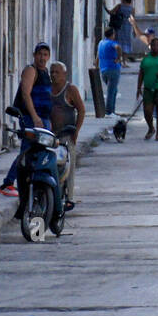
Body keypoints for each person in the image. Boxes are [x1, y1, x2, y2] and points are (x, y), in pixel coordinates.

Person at [0, 43, 53, 197]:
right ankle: (8, 183)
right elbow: (25, 94)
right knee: (27, 151)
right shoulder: (31, 70)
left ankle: (33, 182)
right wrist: (35, 116)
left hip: (44, 119)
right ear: (34, 55)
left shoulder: (46, 73)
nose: (42, 58)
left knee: (40, 151)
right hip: (31, 119)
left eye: (45, 54)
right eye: (39, 54)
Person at [48, 61, 87, 208]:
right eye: (52, 72)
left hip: (66, 135)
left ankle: (69, 197)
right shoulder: (48, 89)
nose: (53, 75)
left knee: (69, 166)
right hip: (50, 135)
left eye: (57, 72)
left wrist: (76, 130)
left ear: (64, 74)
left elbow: (81, 110)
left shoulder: (70, 90)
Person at [97, 28, 123, 115]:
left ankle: (112, 110)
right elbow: (118, 47)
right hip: (113, 68)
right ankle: (109, 111)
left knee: (114, 90)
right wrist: (118, 58)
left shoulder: (101, 43)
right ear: (112, 35)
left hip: (103, 69)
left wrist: (96, 64)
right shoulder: (112, 43)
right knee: (111, 91)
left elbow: (98, 55)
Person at [107, 0, 135, 65]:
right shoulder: (132, 9)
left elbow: (110, 12)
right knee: (126, 44)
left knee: (118, 42)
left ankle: (118, 60)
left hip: (119, 27)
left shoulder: (119, 6)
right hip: (128, 28)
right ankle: (124, 62)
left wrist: (104, 7)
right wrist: (134, 30)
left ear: (124, 0)